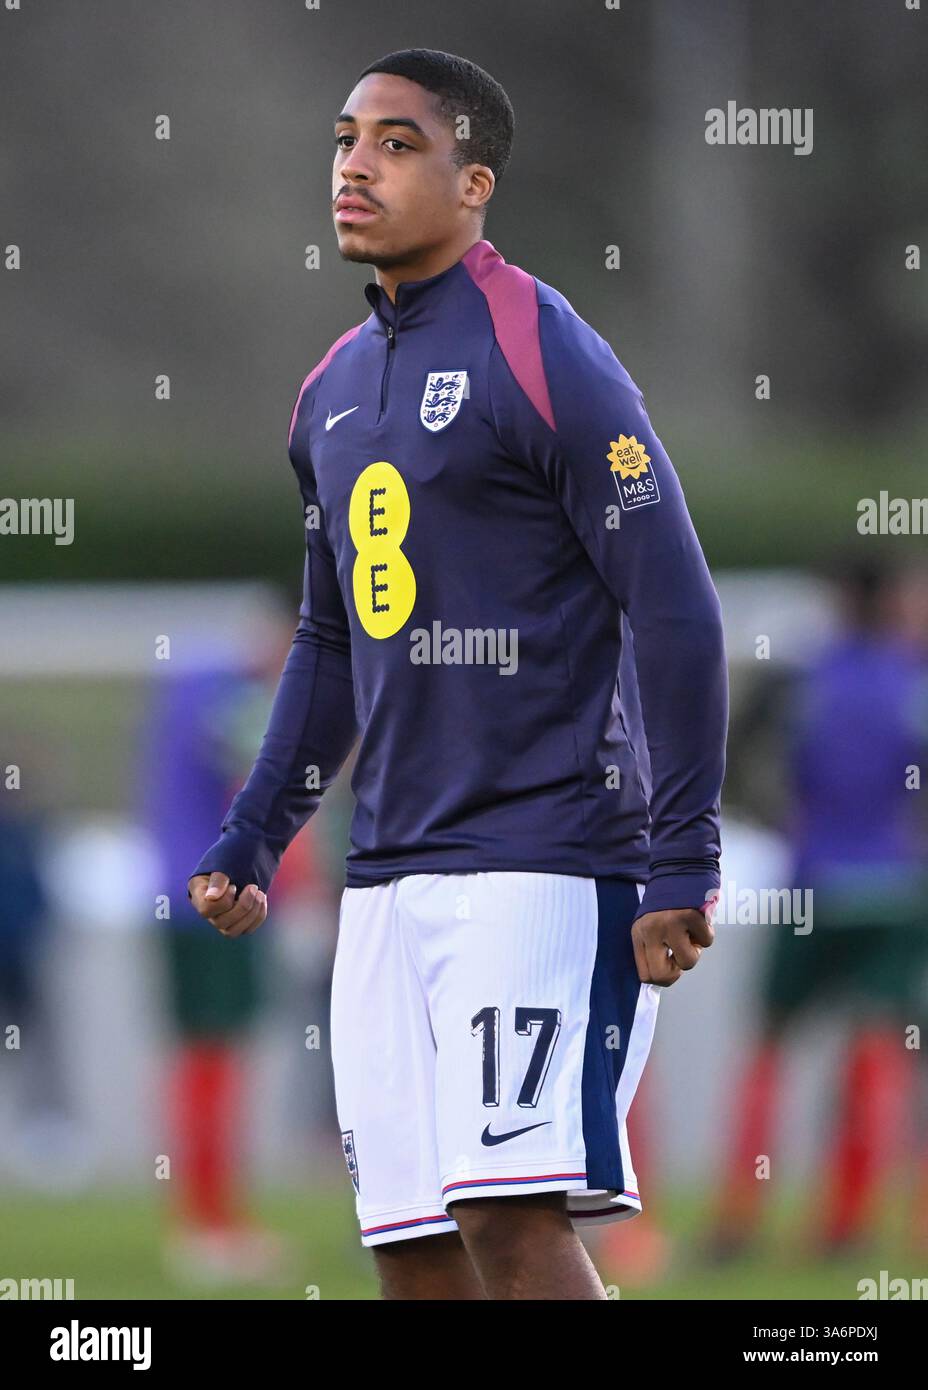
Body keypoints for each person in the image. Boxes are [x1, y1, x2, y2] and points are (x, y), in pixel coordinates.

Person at [188, 48, 728, 1300]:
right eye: (344, 140)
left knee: (510, 1220)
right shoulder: (328, 390)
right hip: (385, 879)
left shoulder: (542, 346)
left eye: (396, 143)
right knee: (413, 1253)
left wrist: (682, 854)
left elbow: (674, 602)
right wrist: (255, 832)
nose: (355, 166)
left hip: (545, 860)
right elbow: (331, 640)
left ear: (474, 182)